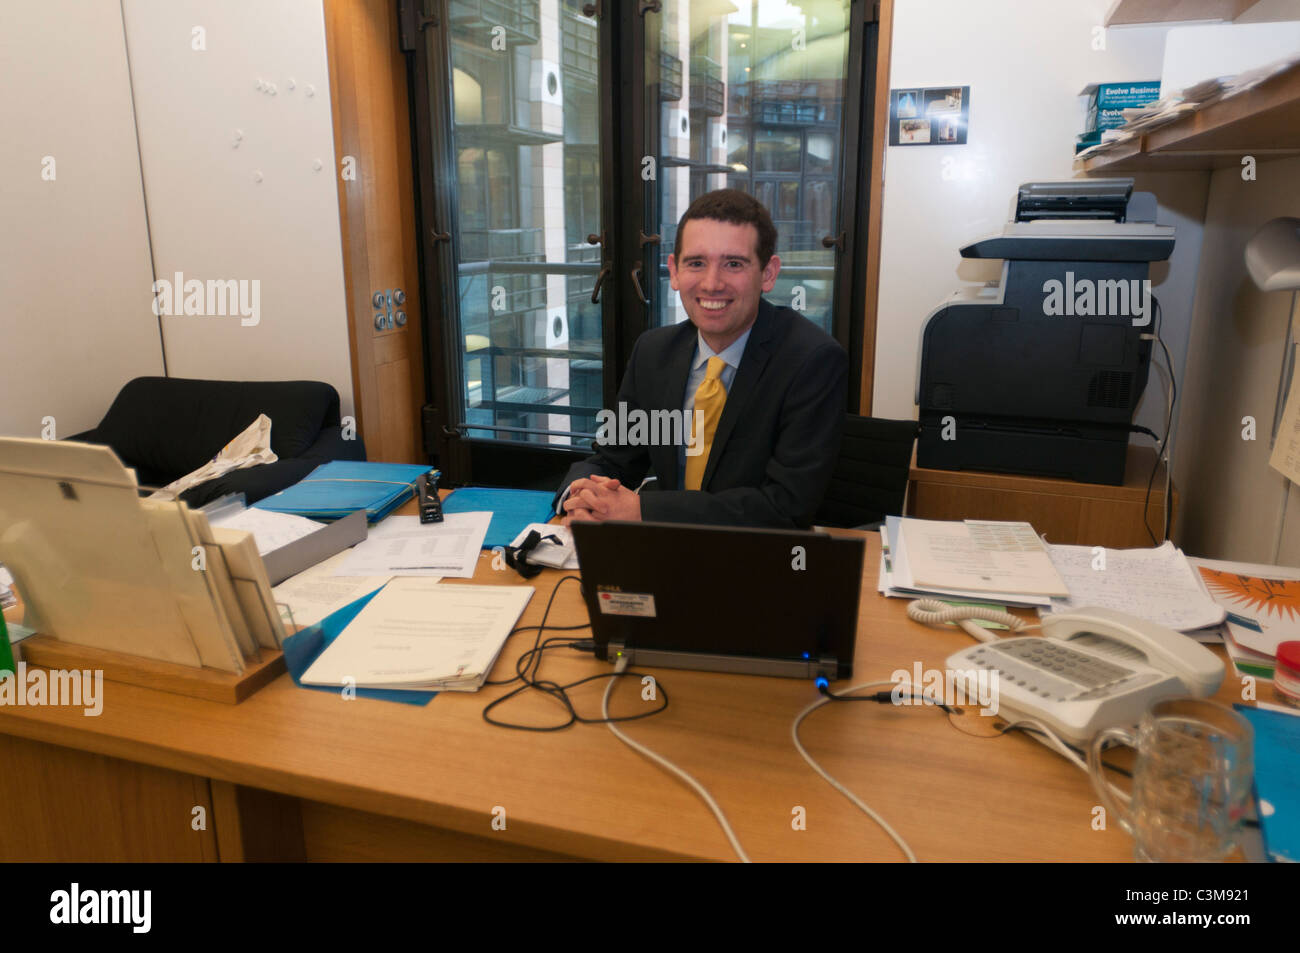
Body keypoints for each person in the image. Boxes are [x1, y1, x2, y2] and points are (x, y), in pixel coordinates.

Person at [555, 189, 847, 528]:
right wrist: (580, 495)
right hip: (660, 548)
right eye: (696, 263)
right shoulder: (653, 352)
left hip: (757, 552)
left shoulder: (812, 362)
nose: (712, 284)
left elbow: (786, 507)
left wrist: (642, 510)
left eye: (733, 264)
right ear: (675, 271)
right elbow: (614, 458)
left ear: (768, 274)